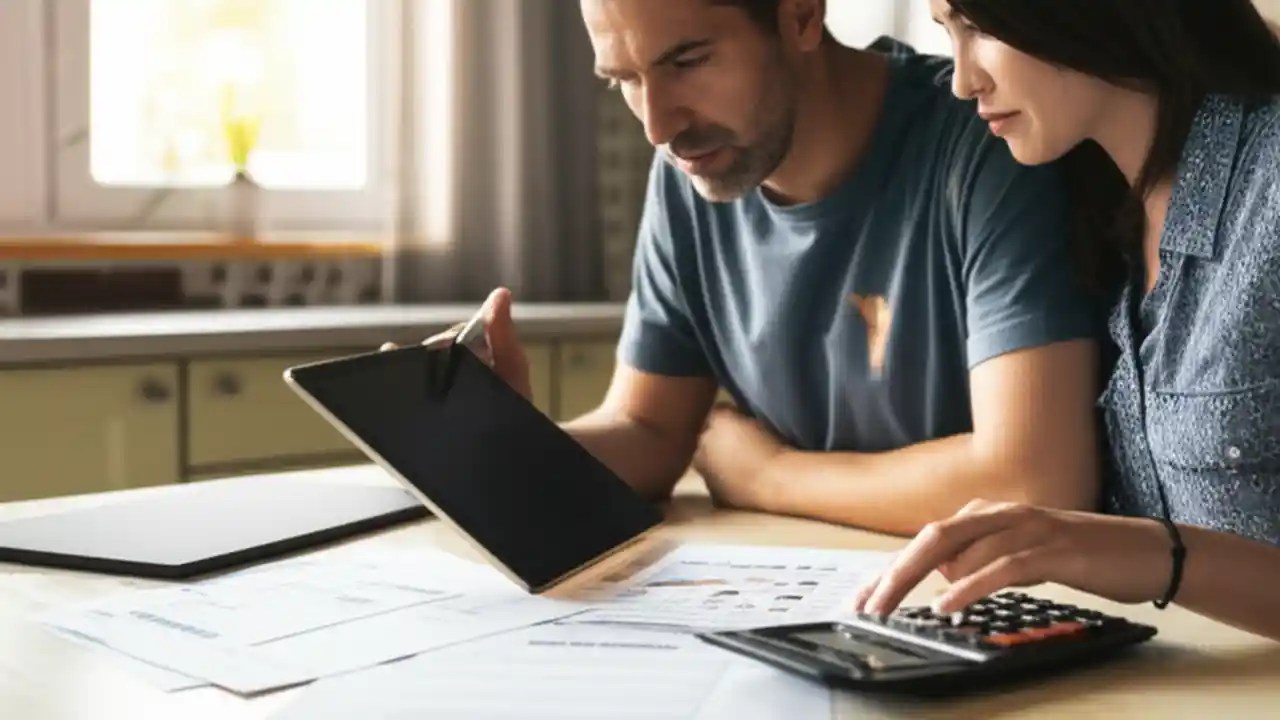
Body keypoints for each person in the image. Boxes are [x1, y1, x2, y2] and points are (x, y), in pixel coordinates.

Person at [415, 0, 1105, 536]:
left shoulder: (987, 145)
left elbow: (1035, 481)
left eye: (686, 61)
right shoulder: (691, 172)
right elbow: (650, 433)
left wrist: (773, 476)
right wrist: (501, 440)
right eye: (625, 80)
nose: (657, 125)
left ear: (801, 15)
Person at [854, 0, 1280, 641]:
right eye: (947, 32)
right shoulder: (1084, 197)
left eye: (979, 26)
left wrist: (1147, 556)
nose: (964, 79)